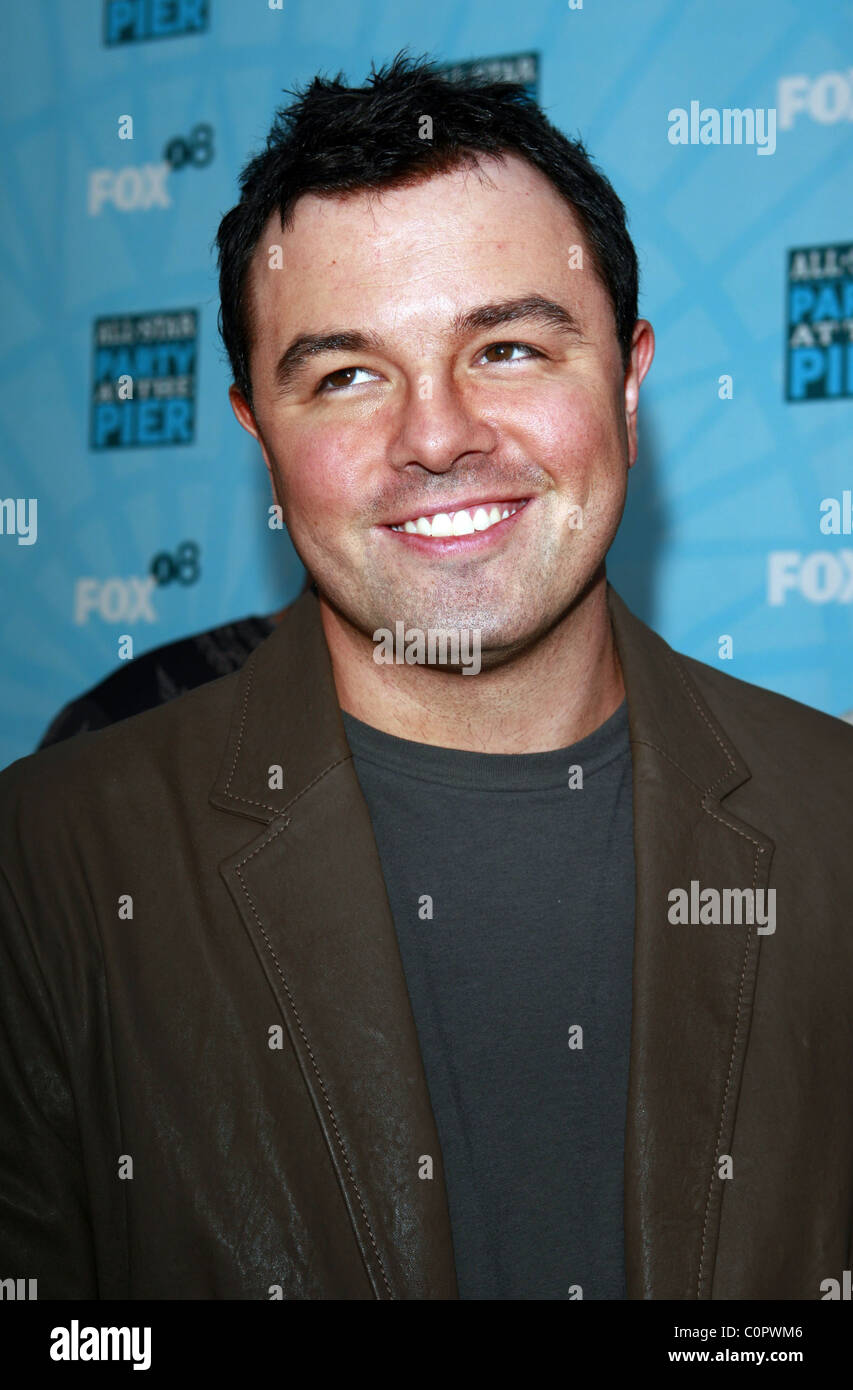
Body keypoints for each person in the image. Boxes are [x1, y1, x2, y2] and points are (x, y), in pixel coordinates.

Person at [1, 52, 851, 1302]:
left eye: (506, 347)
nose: (437, 435)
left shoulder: (838, 822)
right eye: (345, 375)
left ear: (626, 378)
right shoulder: (45, 867)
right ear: (256, 433)